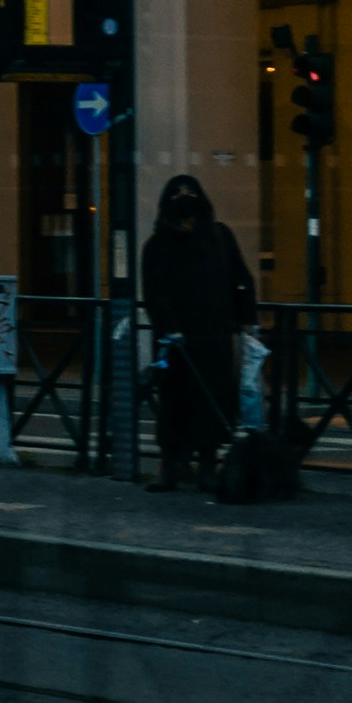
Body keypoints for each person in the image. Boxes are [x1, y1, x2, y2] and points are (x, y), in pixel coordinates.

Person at [142, 170, 257, 494]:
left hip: (215, 335)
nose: (184, 200)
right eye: (176, 194)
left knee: (213, 403)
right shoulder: (157, 246)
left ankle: (208, 465)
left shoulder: (220, 237)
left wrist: (247, 318)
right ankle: (171, 466)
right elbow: (155, 293)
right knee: (174, 404)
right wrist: (169, 329)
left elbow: (241, 279)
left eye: (188, 194)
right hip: (176, 341)